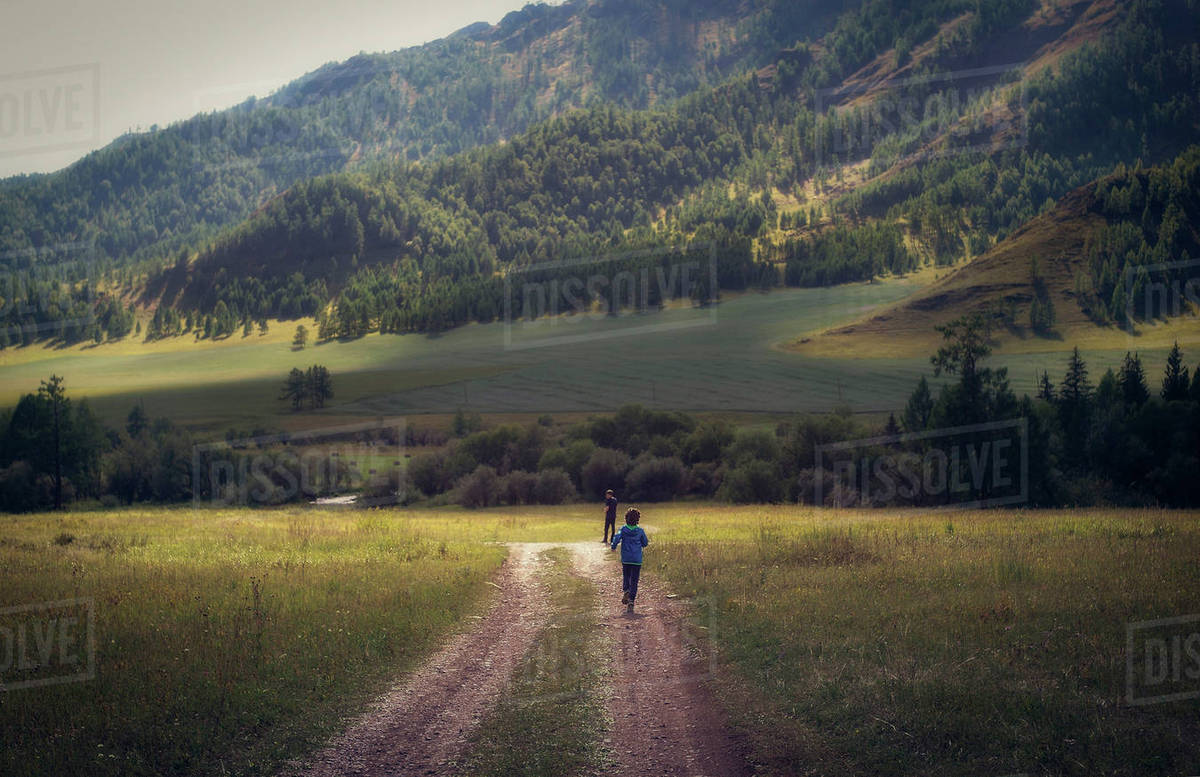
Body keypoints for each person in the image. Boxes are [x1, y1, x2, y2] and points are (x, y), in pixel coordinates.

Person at [610, 507, 649, 612]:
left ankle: (626, 590)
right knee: (635, 580)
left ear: (626, 518)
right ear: (637, 519)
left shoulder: (623, 529)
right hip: (636, 559)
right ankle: (631, 600)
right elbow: (645, 543)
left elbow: (617, 538)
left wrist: (613, 546)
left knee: (626, 576)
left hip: (626, 558)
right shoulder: (640, 531)